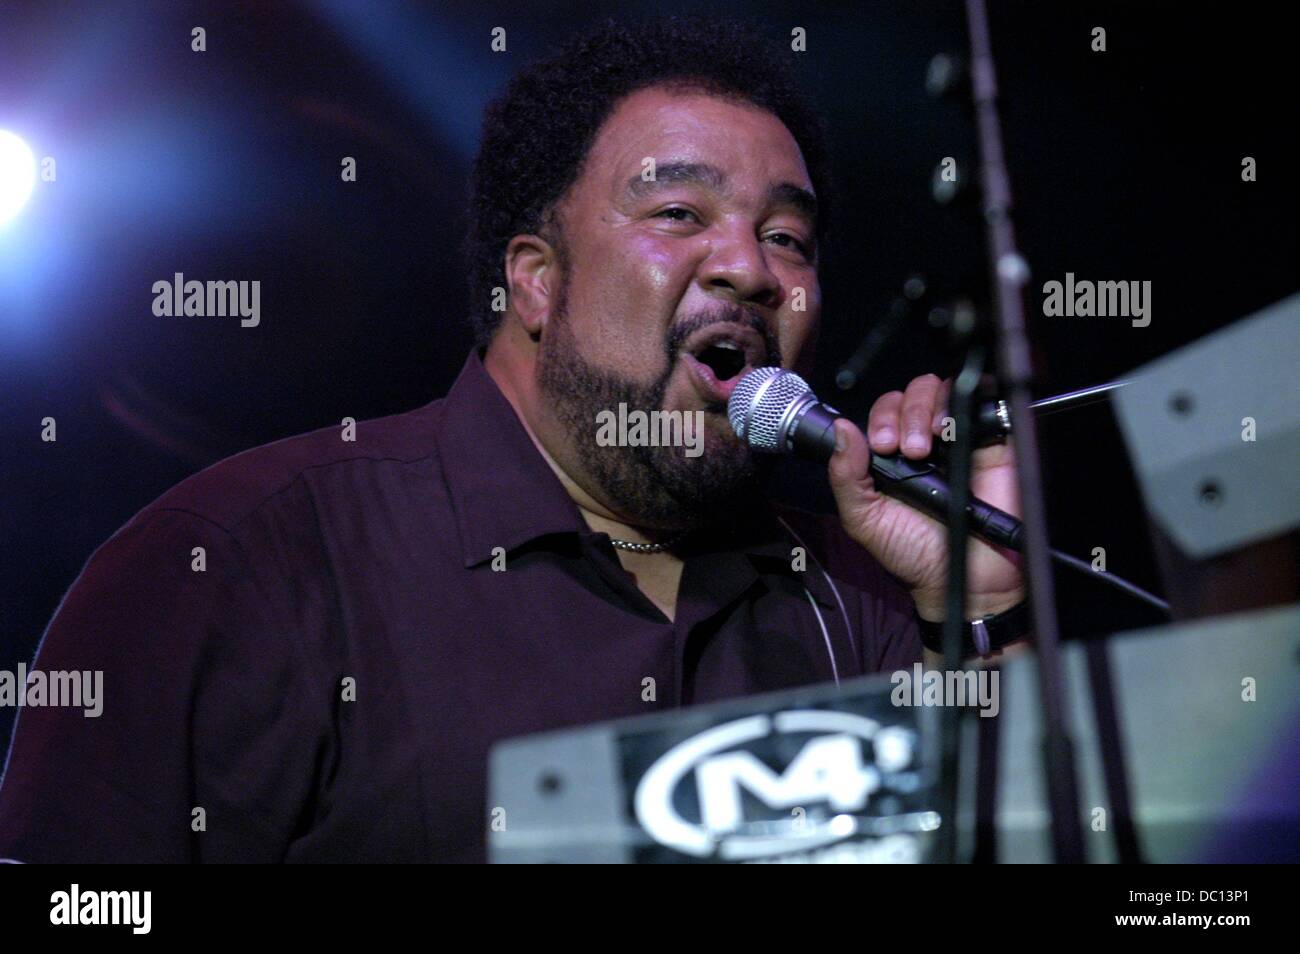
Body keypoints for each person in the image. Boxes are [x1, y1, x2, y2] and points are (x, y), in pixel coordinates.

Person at [0, 17, 1023, 862]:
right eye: (679, 211)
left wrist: (982, 612)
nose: (750, 270)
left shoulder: (860, 598)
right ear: (536, 281)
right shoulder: (242, 562)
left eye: (786, 237)